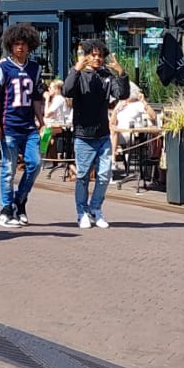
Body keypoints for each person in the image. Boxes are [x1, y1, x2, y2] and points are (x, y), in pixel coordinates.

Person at [62, 39, 126, 230]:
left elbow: (121, 94)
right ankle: (81, 212)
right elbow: (67, 90)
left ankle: (95, 208)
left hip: (103, 134)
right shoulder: (78, 74)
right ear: (86, 56)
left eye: (100, 55)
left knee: (105, 175)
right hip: (83, 135)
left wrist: (121, 74)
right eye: (94, 55)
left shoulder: (106, 75)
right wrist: (76, 69)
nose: (97, 58)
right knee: (82, 176)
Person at [0, 23, 44, 228]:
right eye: (16, 44)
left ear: (30, 46)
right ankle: (5, 209)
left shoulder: (35, 68)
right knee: (8, 169)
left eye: (24, 44)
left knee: (35, 164)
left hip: (29, 127)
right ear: (10, 45)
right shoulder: (2, 67)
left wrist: (41, 121)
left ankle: (19, 200)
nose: (20, 47)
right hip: (9, 126)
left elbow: (36, 97)